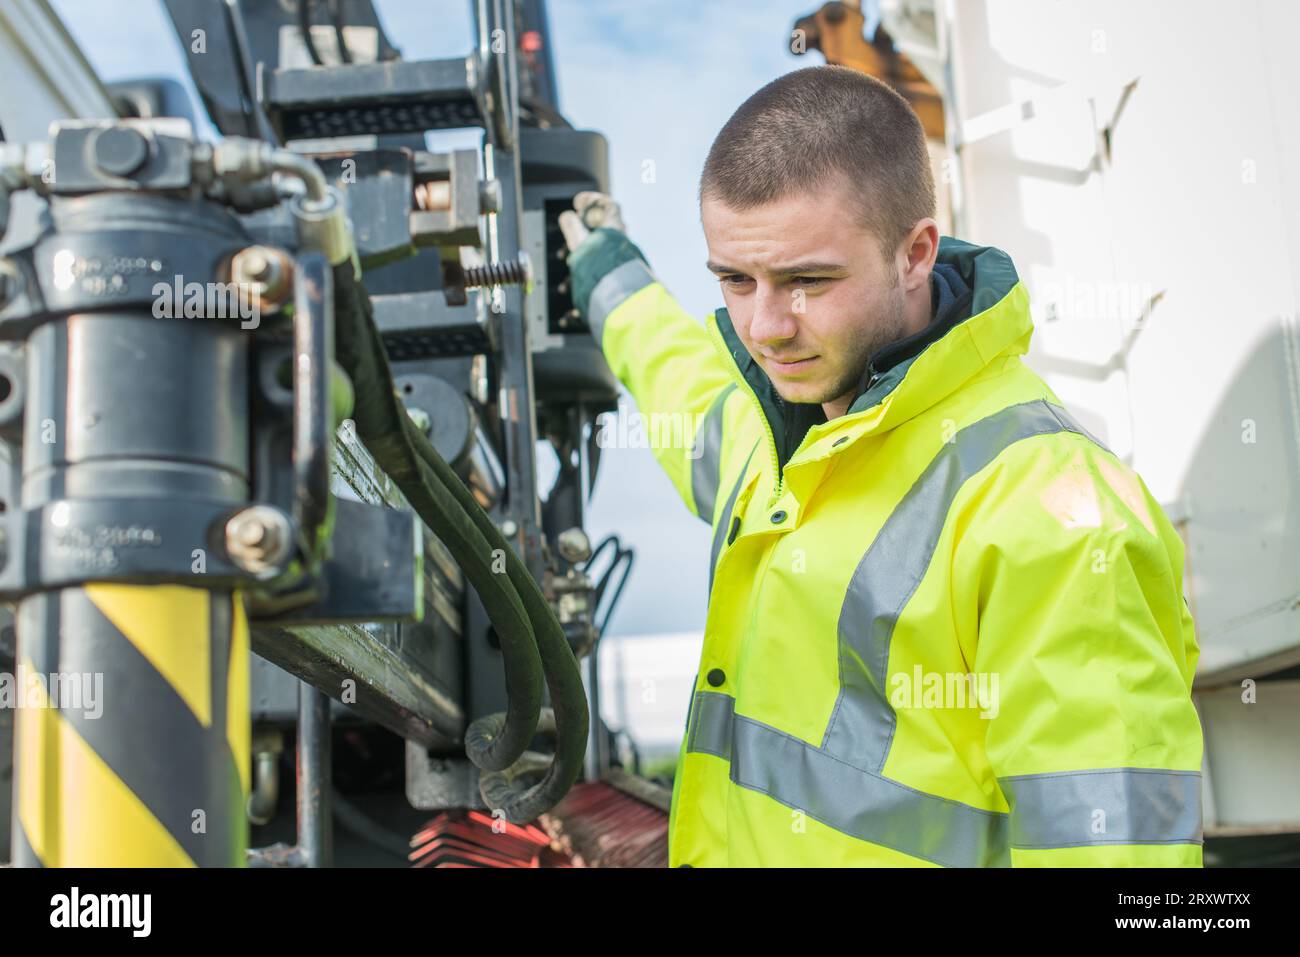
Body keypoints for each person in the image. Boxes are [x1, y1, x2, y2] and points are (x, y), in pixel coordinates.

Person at [559, 65, 1203, 867]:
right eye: (734, 279)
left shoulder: (1053, 512)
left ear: (915, 253)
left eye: (807, 281)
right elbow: (676, 378)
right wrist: (605, 272)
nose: (765, 327)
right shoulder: (773, 444)